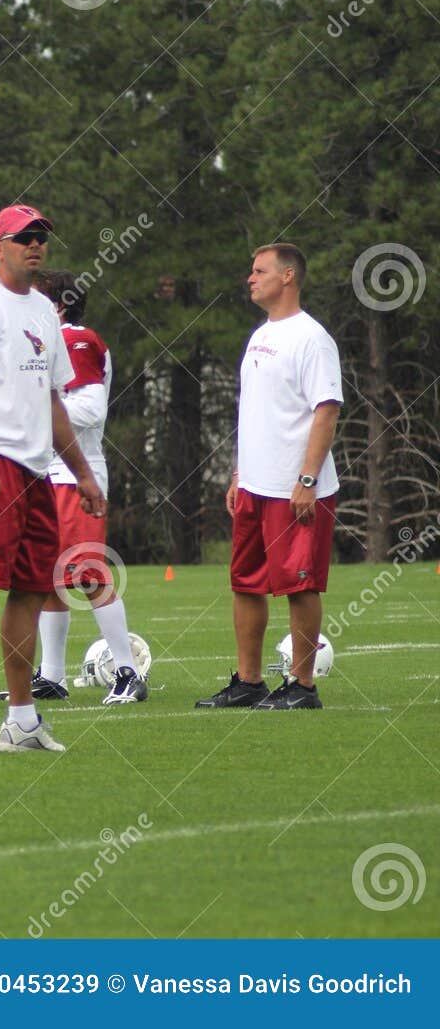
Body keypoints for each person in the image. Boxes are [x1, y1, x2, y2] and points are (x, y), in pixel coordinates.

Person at [0, 206, 105, 756]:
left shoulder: (44, 313)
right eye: (25, 238)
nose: (36, 245)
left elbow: (53, 400)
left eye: (42, 238)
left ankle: (22, 719)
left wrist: (81, 473)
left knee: (32, 590)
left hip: (35, 469)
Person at [198, 243, 341, 710]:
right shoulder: (261, 334)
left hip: (295, 487)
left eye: (259, 271)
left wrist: (307, 480)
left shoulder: (311, 337)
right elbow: (257, 413)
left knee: (300, 584)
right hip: (256, 486)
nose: (250, 278)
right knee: (246, 582)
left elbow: (326, 410)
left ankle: (302, 687)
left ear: (288, 277)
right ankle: (249, 681)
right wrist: (240, 473)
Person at [31, 269, 147, 706]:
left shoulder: (75, 338)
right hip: (49, 472)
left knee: (88, 573)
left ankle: (128, 671)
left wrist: (33, 407)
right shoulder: (49, 342)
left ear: (58, 304)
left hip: (75, 474)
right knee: (48, 580)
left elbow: (91, 409)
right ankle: (52, 676)